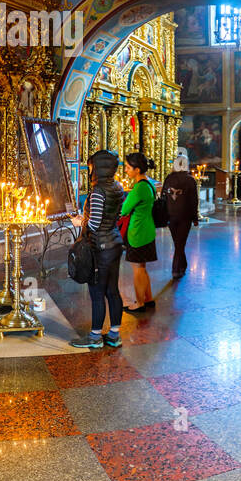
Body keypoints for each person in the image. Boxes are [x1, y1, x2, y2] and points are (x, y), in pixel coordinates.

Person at [68, 149, 128, 351]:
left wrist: (79, 221)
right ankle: (114, 335)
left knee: (97, 292)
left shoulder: (98, 191)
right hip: (114, 243)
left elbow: (93, 224)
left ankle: (94, 337)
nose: (90, 169)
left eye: (92, 166)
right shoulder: (118, 187)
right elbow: (116, 215)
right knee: (113, 290)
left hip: (99, 247)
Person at [119, 151, 160, 312]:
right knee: (142, 268)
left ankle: (139, 303)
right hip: (147, 230)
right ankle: (148, 299)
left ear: (137, 170)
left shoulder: (139, 188)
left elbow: (124, 209)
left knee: (138, 269)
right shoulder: (148, 184)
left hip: (138, 233)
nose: (126, 170)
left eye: (128, 167)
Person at [159, 159, 199, 277]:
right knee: (180, 243)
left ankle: (183, 265)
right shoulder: (190, 180)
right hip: (185, 216)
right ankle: (176, 269)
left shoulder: (168, 178)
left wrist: (164, 215)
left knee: (178, 242)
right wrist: (195, 217)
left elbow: (163, 197)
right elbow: (194, 201)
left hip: (171, 216)